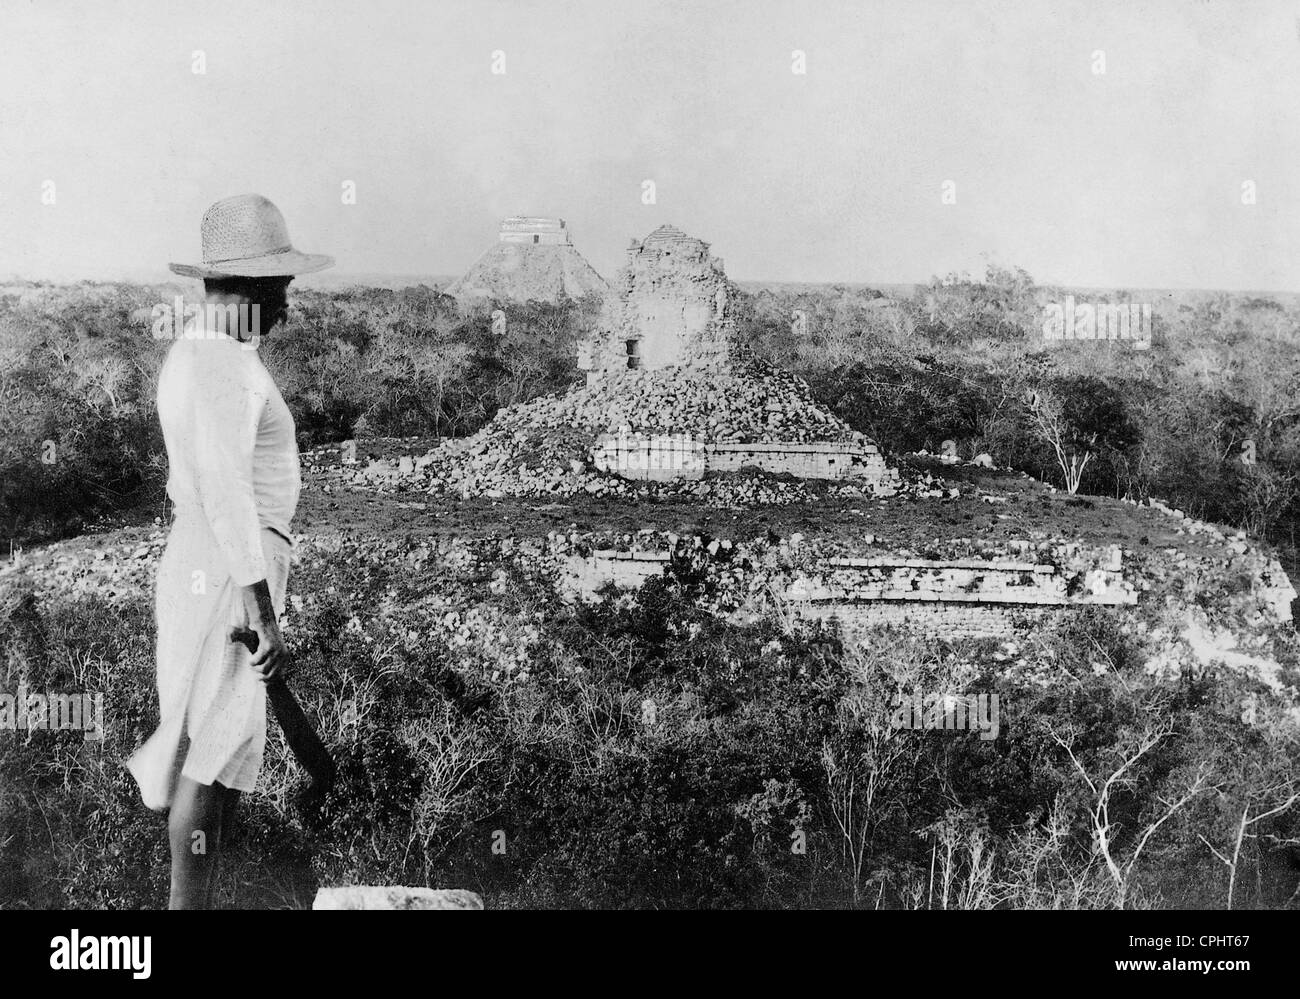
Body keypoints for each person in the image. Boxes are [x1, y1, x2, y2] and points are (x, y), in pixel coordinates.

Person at [126, 193, 332, 908]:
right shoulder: (217, 361)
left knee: (214, 743)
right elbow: (229, 494)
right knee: (209, 755)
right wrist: (263, 612)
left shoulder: (204, 351)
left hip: (212, 561)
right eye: (281, 289)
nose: (286, 307)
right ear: (248, 287)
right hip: (226, 567)